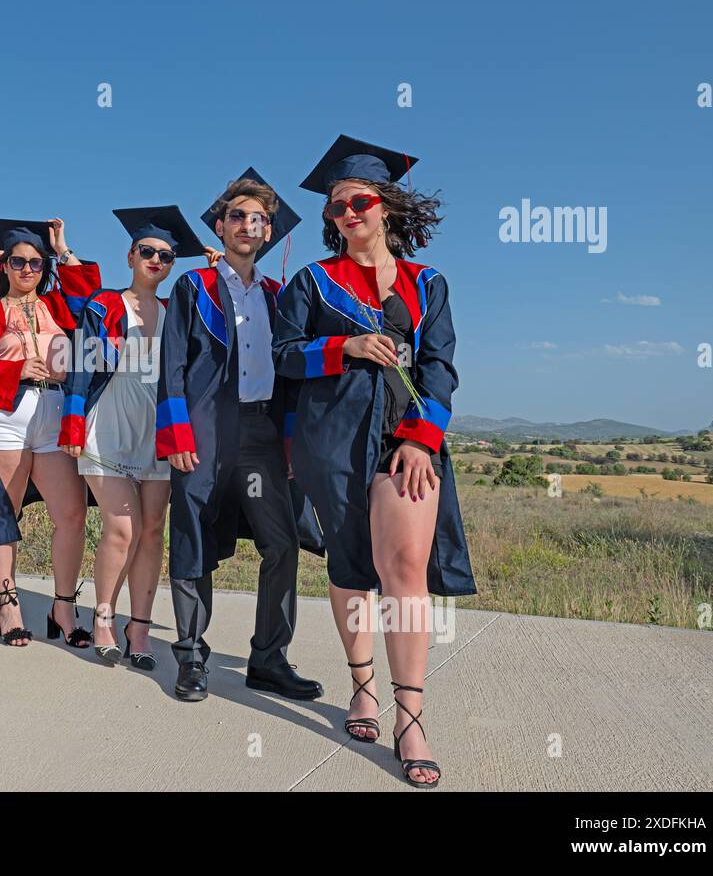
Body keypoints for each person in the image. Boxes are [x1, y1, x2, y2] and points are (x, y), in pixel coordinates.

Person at [274, 135, 475, 787]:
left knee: (405, 568)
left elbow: (441, 369)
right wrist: (346, 348)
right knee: (350, 564)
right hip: (331, 440)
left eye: (358, 201)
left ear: (386, 205)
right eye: (336, 208)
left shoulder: (428, 284)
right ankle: (362, 686)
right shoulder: (313, 282)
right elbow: (281, 356)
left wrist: (422, 437)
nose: (346, 214)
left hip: (405, 440)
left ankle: (409, 716)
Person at [157, 168, 325, 702]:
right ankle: (190, 656)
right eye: (237, 216)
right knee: (193, 536)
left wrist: (295, 443)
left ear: (268, 232)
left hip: (263, 433)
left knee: (281, 542)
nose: (248, 225)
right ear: (221, 226)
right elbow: (172, 366)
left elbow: (295, 372)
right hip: (205, 431)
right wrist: (177, 434)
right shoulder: (195, 287)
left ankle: (269, 658)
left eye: (259, 218)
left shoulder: (280, 294)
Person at [58, 206, 205, 668]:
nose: (156, 260)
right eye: (148, 251)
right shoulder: (105, 304)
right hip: (109, 424)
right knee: (122, 529)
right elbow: (82, 362)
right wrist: (73, 423)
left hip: (156, 429)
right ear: (130, 255)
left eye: (166, 255)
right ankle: (104, 615)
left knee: (153, 531)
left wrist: (217, 270)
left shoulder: (175, 311)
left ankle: (138, 627)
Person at [0, 218, 100, 646]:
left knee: (71, 515)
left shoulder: (60, 306)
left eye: (36, 262)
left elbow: (88, 295)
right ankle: (8, 602)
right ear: (5, 265)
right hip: (3, 413)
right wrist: (13, 371)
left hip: (54, 411)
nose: (27, 268)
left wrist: (63, 248)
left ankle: (63, 607)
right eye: (18, 261)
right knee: (3, 512)